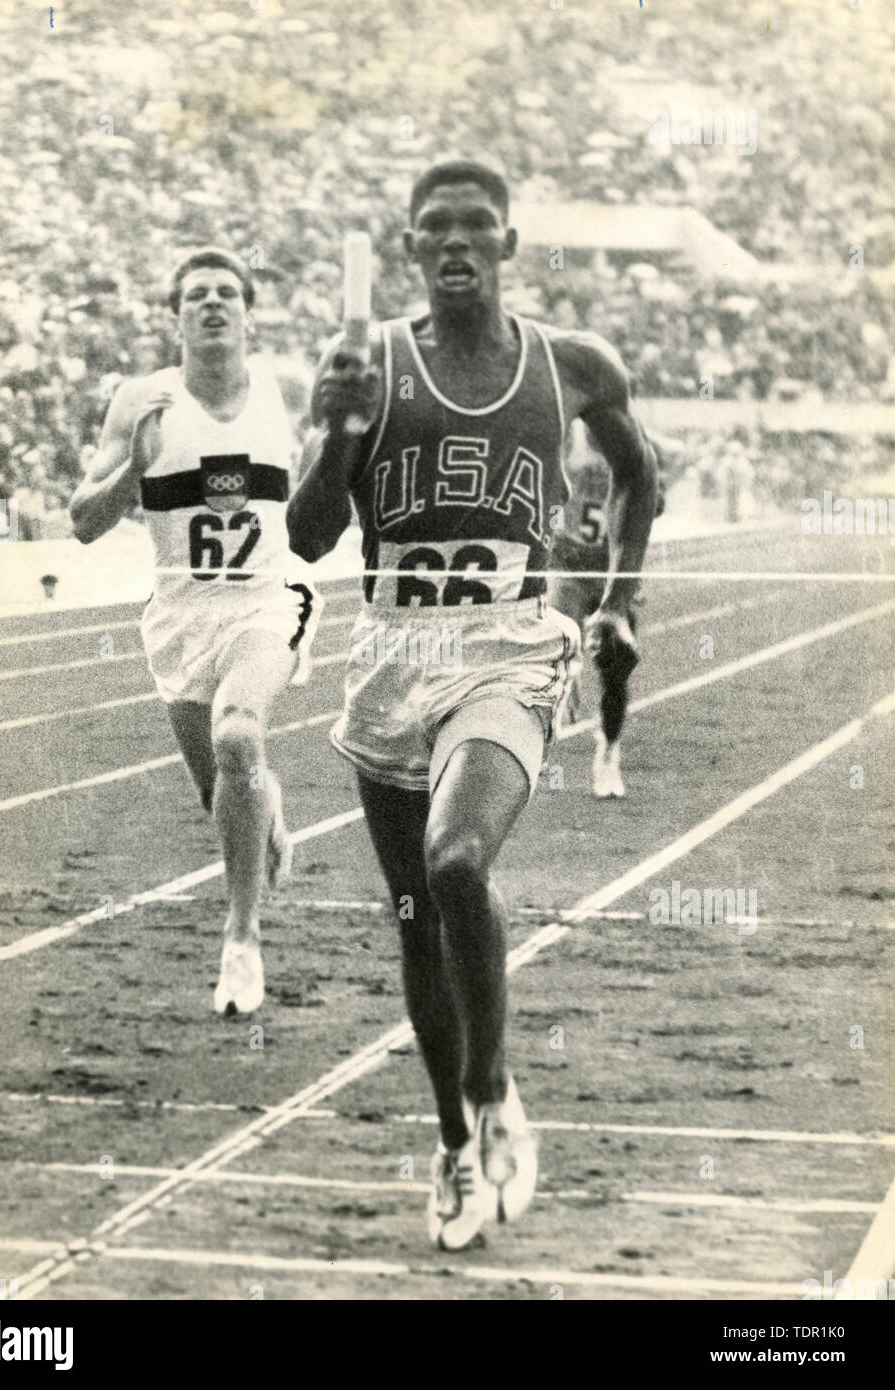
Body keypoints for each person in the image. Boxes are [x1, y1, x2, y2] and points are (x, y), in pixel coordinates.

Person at [287, 161, 658, 1249]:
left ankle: (494, 1091)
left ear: (506, 241)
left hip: (506, 647)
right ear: (408, 250)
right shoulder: (367, 362)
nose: (452, 243)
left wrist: (621, 598)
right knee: (415, 920)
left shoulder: (572, 366)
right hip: (396, 652)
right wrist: (342, 436)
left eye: (472, 227)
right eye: (430, 230)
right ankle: (452, 1142)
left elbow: (643, 474)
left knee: (457, 862)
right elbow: (310, 536)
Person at [70, 247, 320, 1018]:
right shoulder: (141, 400)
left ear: (247, 310)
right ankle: (263, 808)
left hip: (267, 603)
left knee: (240, 737)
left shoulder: (285, 391)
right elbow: (84, 522)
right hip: (180, 617)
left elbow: (323, 501)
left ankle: (240, 941)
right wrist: (131, 472)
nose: (212, 305)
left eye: (226, 294)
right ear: (175, 315)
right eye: (196, 296)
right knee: (224, 790)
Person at [550, 421, 679, 797]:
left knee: (617, 665)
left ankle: (609, 749)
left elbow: (655, 501)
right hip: (569, 563)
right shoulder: (566, 435)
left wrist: (644, 494)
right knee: (553, 648)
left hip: (613, 570)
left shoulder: (635, 440)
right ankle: (549, 706)